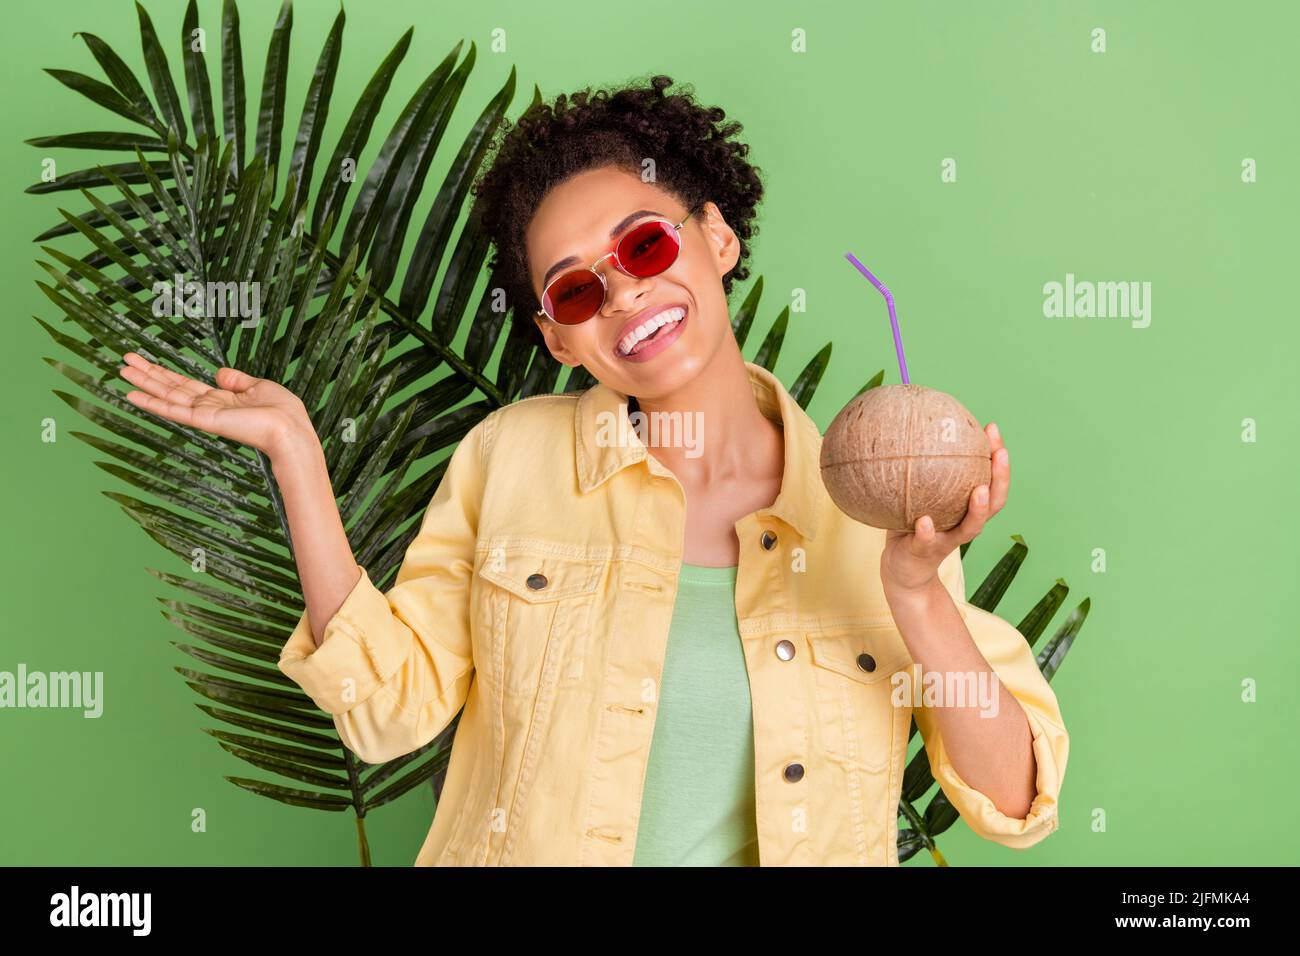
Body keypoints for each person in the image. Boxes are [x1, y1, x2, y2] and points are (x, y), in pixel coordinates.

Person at [118, 74, 1067, 867]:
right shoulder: (511, 457)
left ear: (718, 239)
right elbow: (388, 712)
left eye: (645, 243)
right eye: (576, 288)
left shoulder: (876, 503)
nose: (624, 294)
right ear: (557, 338)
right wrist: (301, 461)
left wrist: (916, 591)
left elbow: (1012, 792)